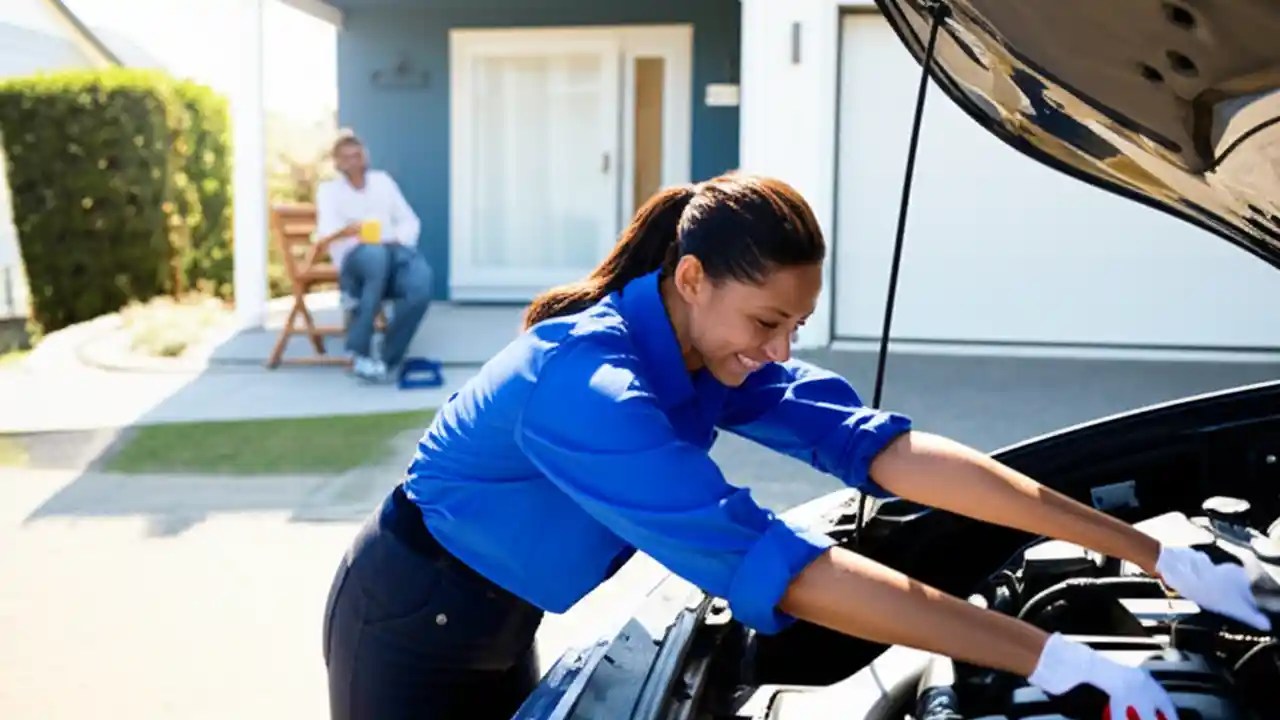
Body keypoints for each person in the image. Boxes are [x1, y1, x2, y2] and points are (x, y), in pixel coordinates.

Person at [321, 172, 1270, 720]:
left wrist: (1158, 554)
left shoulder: (709, 347)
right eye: (767, 321)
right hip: (409, 617)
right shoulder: (583, 385)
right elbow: (783, 569)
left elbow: (885, 451)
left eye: (797, 327)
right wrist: (1051, 657)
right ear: (690, 278)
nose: (779, 352)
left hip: (498, 619)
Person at [315, 130, 432, 383]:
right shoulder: (328, 191)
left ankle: (386, 358)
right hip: (355, 259)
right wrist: (350, 230)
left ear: (365, 156)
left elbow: (409, 220)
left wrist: (397, 239)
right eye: (345, 157)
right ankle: (358, 350)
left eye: (357, 155)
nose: (353, 161)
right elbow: (326, 232)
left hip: (393, 252)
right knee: (374, 254)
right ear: (336, 163)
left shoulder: (383, 182)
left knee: (420, 283)